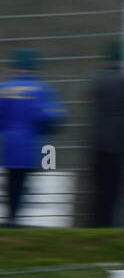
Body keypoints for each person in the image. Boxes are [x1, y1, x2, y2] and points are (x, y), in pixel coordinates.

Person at [0, 48, 65, 226]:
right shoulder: (41, 89)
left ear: (15, 67)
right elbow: (49, 116)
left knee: (11, 181)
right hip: (29, 144)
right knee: (23, 183)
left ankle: (10, 218)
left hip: (9, 144)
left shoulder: (4, 89)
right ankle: (16, 220)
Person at [87, 41, 124, 227]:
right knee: (115, 188)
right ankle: (111, 225)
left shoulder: (98, 79)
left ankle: (96, 225)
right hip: (119, 141)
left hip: (98, 139)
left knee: (99, 187)